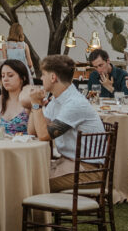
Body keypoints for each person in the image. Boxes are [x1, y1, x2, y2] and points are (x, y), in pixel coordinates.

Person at [25, 55, 107, 191]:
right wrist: (35, 105)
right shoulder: (57, 100)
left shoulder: (74, 104)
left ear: (53, 77)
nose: (41, 78)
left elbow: (44, 136)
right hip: (68, 163)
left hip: (87, 171)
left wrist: (35, 105)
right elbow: (33, 131)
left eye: (43, 74)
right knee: (27, 175)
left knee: (31, 182)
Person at [0, 59, 34, 136]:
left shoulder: (30, 101)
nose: (5, 79)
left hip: (22, 146)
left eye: (10, 75)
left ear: (23, 78)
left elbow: (35, 133)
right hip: (0, 146)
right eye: (3, 76)